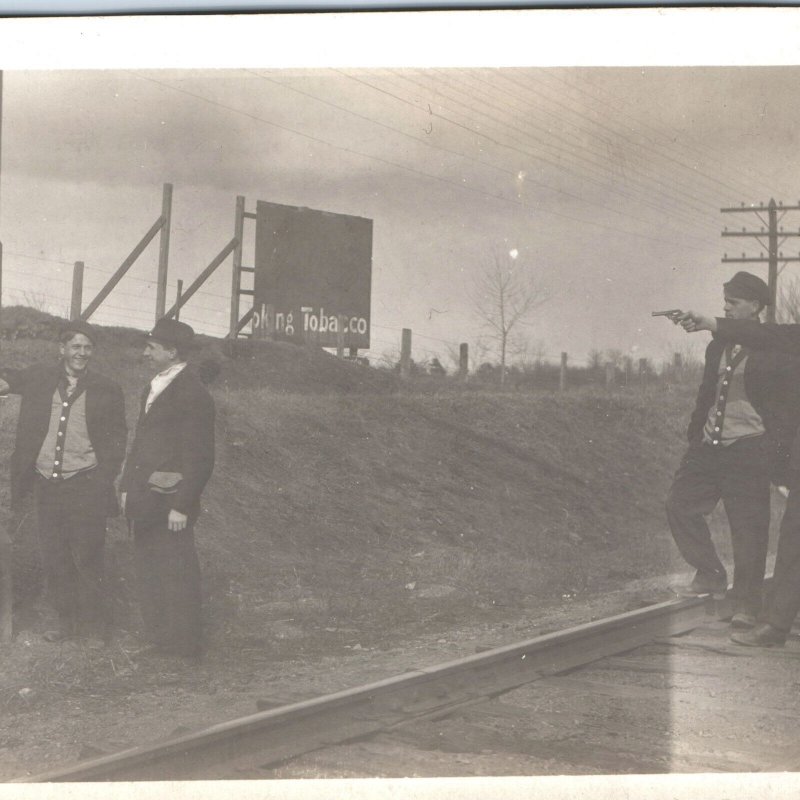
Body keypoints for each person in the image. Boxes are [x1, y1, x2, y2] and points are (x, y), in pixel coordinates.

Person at [664, 272, 800, 629]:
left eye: (734, 302)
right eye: (724, 301)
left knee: (748, 530)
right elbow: (706, 393)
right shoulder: (716, 346)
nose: (726, 307)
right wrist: (697, 433)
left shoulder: (774, 346)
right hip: (710, 446)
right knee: (679, 505)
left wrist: (776, 448)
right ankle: (709, 572)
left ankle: (747, 604)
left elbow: (786, 405)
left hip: (750, 448)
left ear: (755, 307)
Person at [0, 320, 126, 642]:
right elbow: (9, 378)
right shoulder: (41, 376)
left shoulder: (107, 388)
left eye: (87, 348)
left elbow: (117, 439)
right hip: (45, 484)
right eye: (75, 347)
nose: (81, 353)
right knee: (54, 555)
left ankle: (94, 628)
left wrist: (102, 477)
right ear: (62, 349)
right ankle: (64, 623)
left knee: (87, 554)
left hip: (85, 483)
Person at [120, 318, 214, 660]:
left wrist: (182, 505)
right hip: (145, 498)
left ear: (172, 352)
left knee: (177, 571)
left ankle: (185, 646)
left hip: (171, 501)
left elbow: (201, 457)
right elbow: (142, 443)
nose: (145, 353)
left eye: (152, 347)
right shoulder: (153, 387)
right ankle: (160, 640)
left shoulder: (192, 392)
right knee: (149, 569)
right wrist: (128, 486)